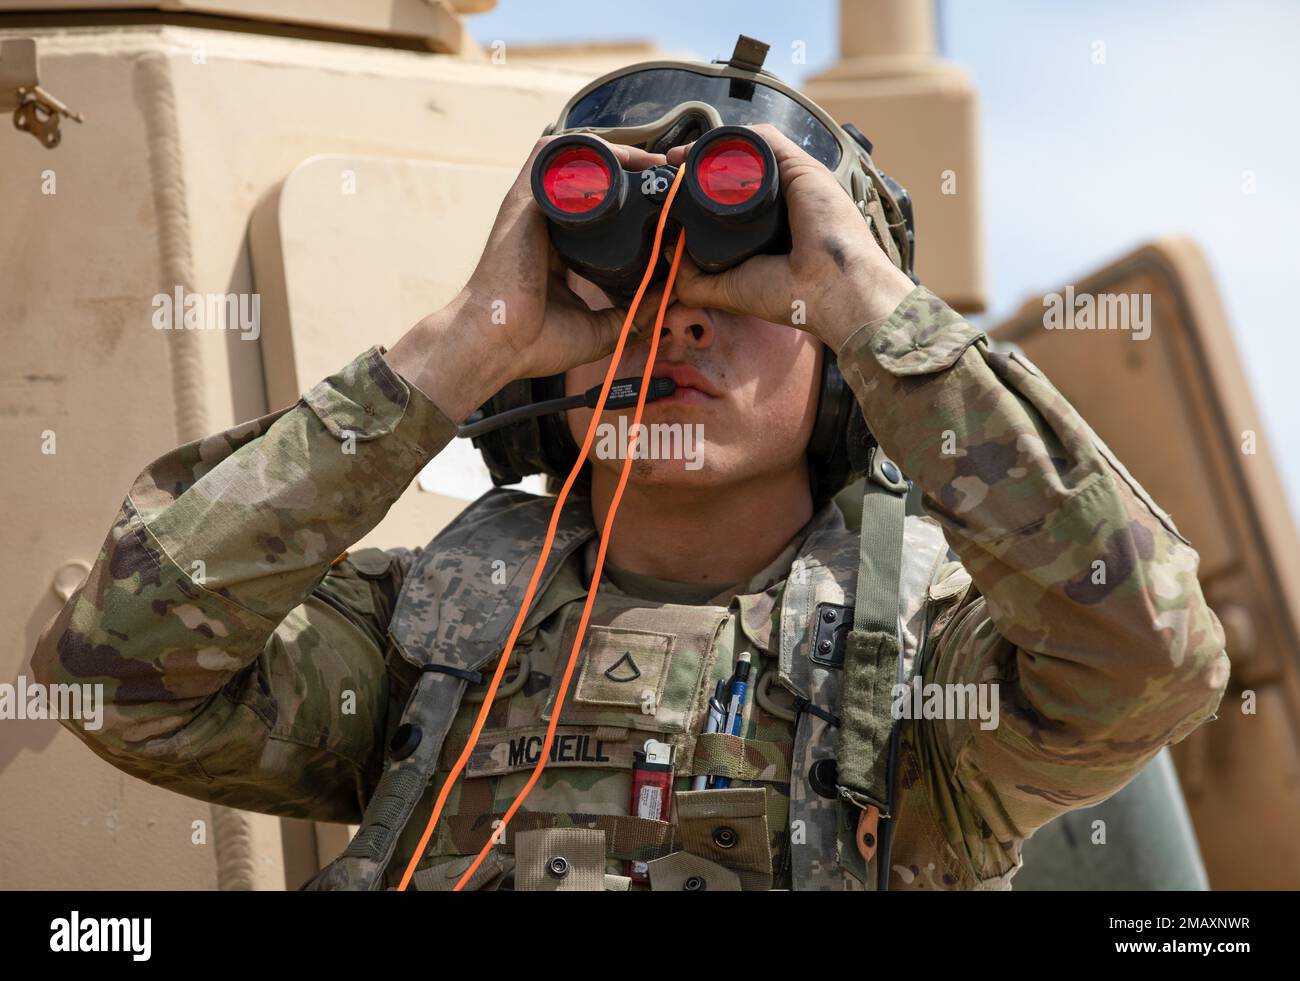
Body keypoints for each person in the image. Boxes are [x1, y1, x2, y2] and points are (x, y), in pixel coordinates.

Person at [31, 44, 1228, 892]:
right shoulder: (433, 637)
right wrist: (461, 349)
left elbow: (1149, 660)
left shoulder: (921, 671)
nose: (680, 316)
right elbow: (116, 675)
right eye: (634, 274)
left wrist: (874, 312)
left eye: (737, 275)